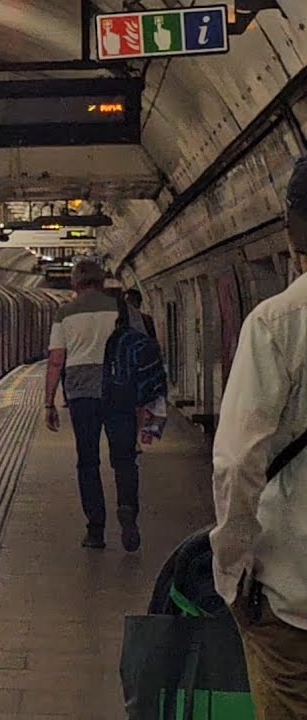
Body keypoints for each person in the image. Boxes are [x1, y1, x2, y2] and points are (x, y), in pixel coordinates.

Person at [210, 156, 307, 717]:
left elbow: (237, 462)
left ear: (295, 227)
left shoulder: (277, 322)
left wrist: (231, 573)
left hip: (294, 600)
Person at [44, 259, 141, 551]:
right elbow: (141, 348)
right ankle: (127, 509)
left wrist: (49, 403)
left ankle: (96, 530)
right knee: (124, 459)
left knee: (87, 461)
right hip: (119, 390)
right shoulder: (124, 309)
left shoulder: (65, 313)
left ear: (74, 284)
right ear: (102, 281)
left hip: (81, 395)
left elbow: (56, 360)